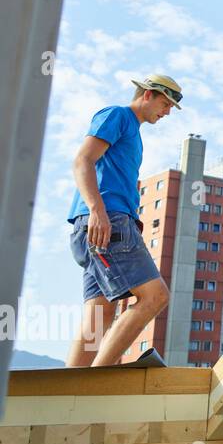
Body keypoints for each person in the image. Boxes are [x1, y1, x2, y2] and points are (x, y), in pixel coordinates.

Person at [66, 73, 183, 366]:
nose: (167, 112)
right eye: (165, 104)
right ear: (147, 95)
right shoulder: (117, 115)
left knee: (100, 314)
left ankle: (69, 391)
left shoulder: (134, 134)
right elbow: (82, 160)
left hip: (101, 225)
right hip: (107, 222)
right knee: (155, 297)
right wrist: (97, 210)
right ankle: (98, 379)